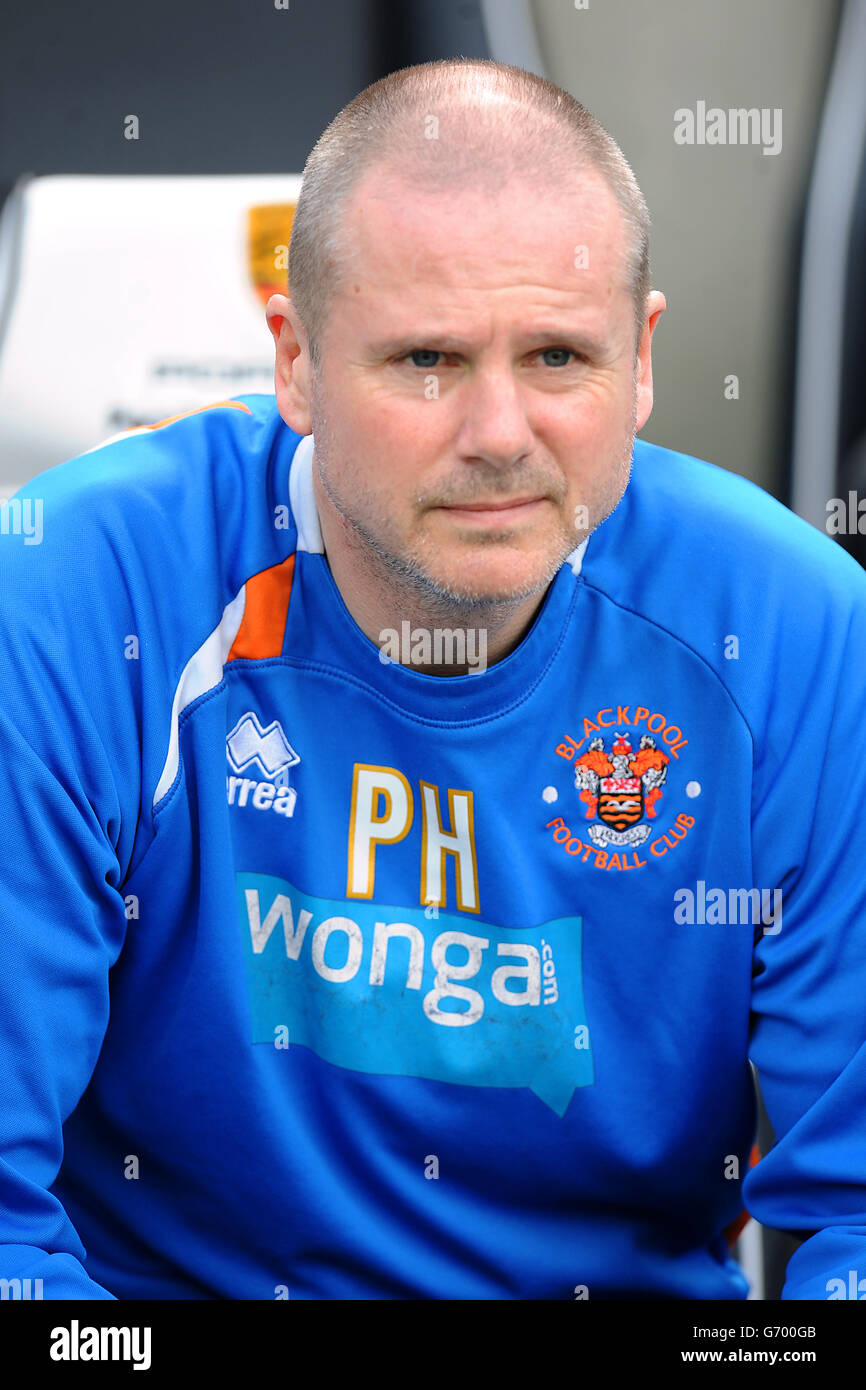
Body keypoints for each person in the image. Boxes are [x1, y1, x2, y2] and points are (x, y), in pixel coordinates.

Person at [0, 56, 864, 1302]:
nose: (501, 433)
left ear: (642, 361)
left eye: (560, 357)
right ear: (293, 361)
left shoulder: (792, 630)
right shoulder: (76, 592)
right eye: (425, 361)